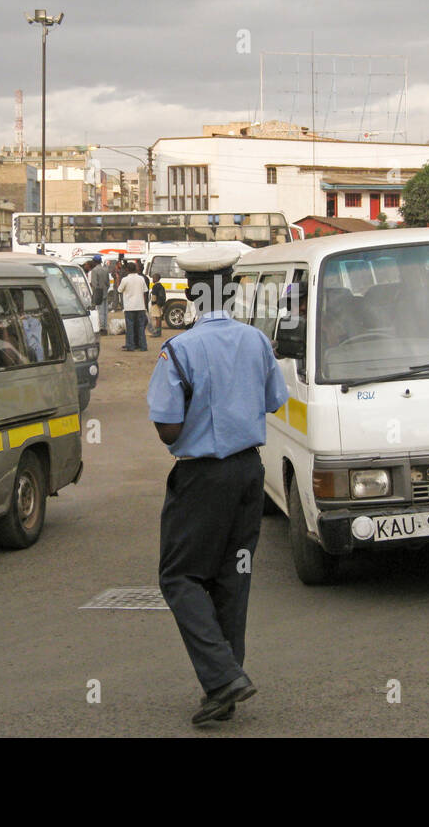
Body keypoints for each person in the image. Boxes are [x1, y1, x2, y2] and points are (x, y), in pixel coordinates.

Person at [146, 247, 288, 724]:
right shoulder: (256, 341)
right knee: (233, 578)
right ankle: (225, 685)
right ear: (232, 291)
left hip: (203, 477)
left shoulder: (181, 349)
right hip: (250, 473)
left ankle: (224, 679)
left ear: (189, 293)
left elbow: (166, 426)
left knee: (180, 577)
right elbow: (273, 401)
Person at [118, 261, 149, 352]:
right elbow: (145, 291)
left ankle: (130, 346)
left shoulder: (125, 280)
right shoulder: (141, 279)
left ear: (127, 269)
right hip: (140, 306)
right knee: (141, 327)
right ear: (135, 269)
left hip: (129, 307)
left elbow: (119, 290)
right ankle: (143, 346)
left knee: (130, 327)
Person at [87, 257, 110, 332]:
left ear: (95, 262)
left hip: (98, 292)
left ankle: (102, 328)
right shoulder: (105, 269)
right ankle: (105, 327)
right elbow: (108, 283)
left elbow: (94, 283)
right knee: (105, 310)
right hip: (105, 291)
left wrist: (96, 292)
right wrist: (105, 289)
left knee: (100, 311)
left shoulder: (94, 270)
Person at [148, 272, 166, 337]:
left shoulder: (155, 286)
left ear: (156, 279)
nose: (152, 279)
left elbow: (154, 296)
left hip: (156, 304)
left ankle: (157, 332)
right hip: (160, 303)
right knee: (159, 317)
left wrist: (153, 303)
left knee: (157, 317)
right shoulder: (161, 285)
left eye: (153, 278)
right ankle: (159, 331)